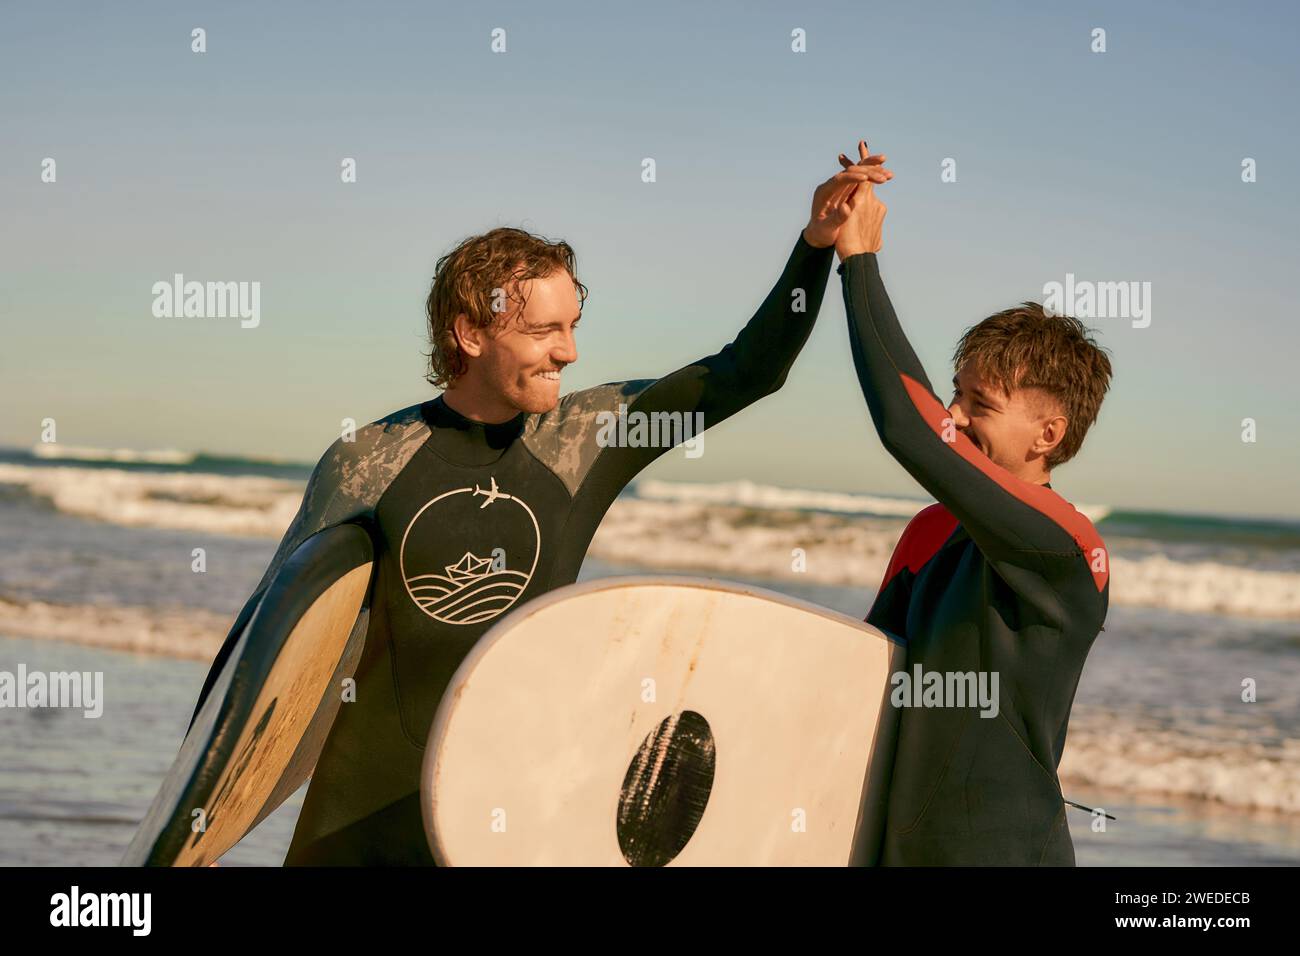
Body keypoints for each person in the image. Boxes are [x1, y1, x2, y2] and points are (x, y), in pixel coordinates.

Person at [188, 156, 893, 865]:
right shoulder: (368, 461)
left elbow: (749, 371)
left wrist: (814, 247)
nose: (570, 351)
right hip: (356, 815)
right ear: (470, 335)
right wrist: (189, 820)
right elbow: (264, 650)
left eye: (574, 326)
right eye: (544, 331)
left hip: (507, 810)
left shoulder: (584, 440)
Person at [834, 140, 1113, 865]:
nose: (953, 418)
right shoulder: (930, 531)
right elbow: (861, 684)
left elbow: (910, 429)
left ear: (1047, 434)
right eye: (954, 395)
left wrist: (858, 262)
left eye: (978, 404)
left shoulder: (1066, 548)